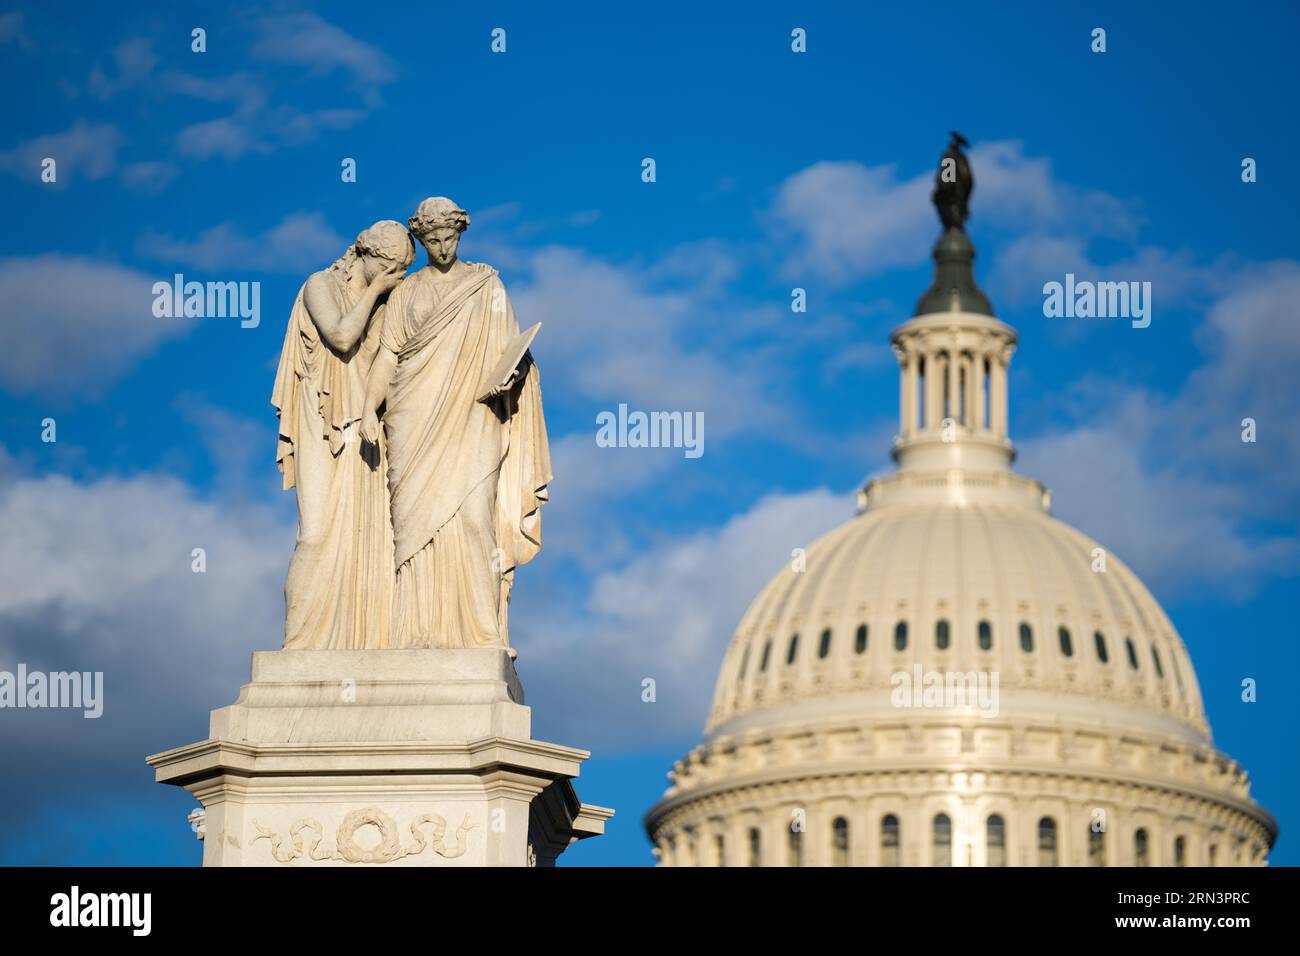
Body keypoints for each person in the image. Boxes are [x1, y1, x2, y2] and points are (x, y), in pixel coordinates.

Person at [360, 197, 550, 651]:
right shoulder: (406, 293)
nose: (443, 247)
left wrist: (511, 377)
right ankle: (414, 632)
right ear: (422, 241)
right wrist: (369, 409)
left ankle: (481, 632)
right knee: (412, 529)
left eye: (450, 238)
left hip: (474, 416)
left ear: (460, 236)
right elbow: (388, 356)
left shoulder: (487, 287)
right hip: (413, 419)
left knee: (472, 519)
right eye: (434, 240)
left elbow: (514, 349)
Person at [272, 220, 414, 649]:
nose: (396, 278)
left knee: (367, 540)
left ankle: (361, 643)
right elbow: (340, 336)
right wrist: (375, 293)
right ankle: (298, 646)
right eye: (390, 267)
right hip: (321, 421)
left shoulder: (388, 304)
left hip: (366, 429)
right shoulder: (320, 285)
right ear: (365, 255)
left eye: (402, 270)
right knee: (315, 535)